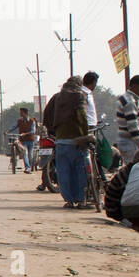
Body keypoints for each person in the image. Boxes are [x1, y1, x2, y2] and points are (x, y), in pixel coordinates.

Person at [50, 76, 91, 208]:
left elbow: (48, 114)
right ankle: (80, 199)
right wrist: (86, 135)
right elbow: (82, 116)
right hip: (76, 139)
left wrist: (53, 132)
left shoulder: (58, 97)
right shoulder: (79, 95)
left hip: (60, 140)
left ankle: (68, 200)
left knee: (63, 171)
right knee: (80, 170)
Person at [114, 74, 139, 164]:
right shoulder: (130, 102)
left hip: (130, 141)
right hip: (131, 142)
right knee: (134, 167)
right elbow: (133, 126)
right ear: (134, 86)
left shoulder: (129, 99)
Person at [14, 107, 38, 173]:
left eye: (21, 112)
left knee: (30, 155)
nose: (20, 114)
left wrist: (25, 133)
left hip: (31, 140)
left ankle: (29, 167)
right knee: (24, 153)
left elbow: (33, 131)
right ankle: (27, 167)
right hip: (23, 140)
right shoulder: (19, 120)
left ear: (25, 113)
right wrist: (8, 131)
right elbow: (14, 126)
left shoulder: (32, 121)